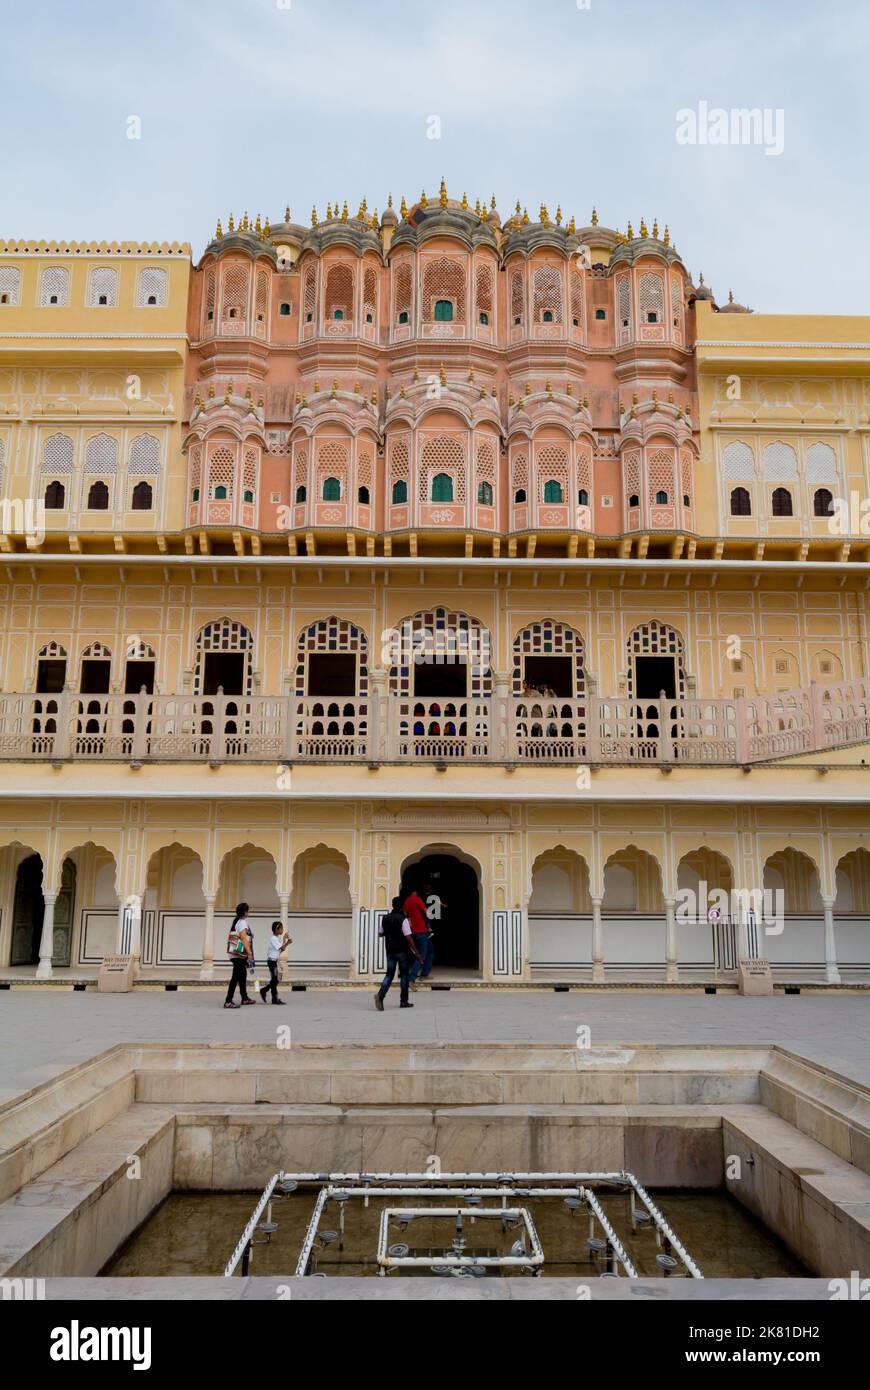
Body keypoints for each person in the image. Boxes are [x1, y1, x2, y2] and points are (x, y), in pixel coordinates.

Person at [375, 896, 421, 1010]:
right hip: (402, 951)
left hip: (390, 951)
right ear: (401, 906)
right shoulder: (403, 919)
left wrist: (388, 932)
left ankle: (380, 996)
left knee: (389, 975)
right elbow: (409, 938)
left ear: (392, 905)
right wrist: (417, 953)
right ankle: (404, 1001)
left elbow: (380, 933)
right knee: (404, 976)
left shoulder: (385, 918)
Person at [224, 902, 255, 1008]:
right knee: (236, 977)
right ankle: (228, 1001)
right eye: (247, 910)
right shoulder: (242, 922)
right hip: (238, 955)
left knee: (242, 975)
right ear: (245, 912)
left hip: (235, 954)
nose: (248, 912)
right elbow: (243, 938)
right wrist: (249, 953)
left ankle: (244, 998)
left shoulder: (237, 921)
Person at [404, 879, 431, 989]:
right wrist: (429, 922)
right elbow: (426, 911)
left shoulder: (406, 901)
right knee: (421, 956)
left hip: (413, 931)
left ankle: (425, 972)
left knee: (429, 950)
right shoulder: (417, 899)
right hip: (421, 931)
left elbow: (405, 915)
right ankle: (412, 978)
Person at [260, 921, 291, 1005]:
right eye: (281, 928)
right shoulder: (273, 939)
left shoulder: (276, 938)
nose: (282, 930)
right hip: (271, 961)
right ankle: (265, 991)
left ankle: (273, 997)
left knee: (275, 980)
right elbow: (282, 947)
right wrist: (287, 942)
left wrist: (284, 940)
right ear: (277, 930)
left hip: (274, 961)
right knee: (275, 979)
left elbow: (281, 949)